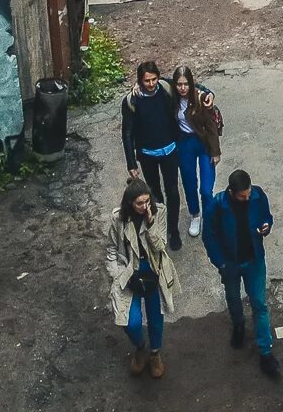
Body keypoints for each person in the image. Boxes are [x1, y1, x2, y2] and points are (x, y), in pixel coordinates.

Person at [204, 169, 279, 378]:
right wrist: (221, 264)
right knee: (234, 300)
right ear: (231, 192)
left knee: (260, 304)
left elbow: (266, 216)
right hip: (231, 264)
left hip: (254, 259)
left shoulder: (257, 195)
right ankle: (238, 325)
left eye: (248, 194)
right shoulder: (217, 205)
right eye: (242, 196)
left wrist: (266, 226)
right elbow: (209, 237)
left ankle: (265, 351)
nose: (247, 198)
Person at [110, 178, 181, 379]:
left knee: (155, 317)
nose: (144, 206)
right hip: (128, 271)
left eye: (147, 201)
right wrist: (116, 274)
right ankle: (140, 347)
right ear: (130, 202)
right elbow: (111, 249)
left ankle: (155, 353)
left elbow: (160, 247)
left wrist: (150, 224)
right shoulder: (118, 218)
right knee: (130, 322)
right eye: (140, 203)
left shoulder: (159, 212)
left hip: (152, 269)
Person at [121, 61, 183, 249]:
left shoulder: (165, 89)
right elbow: (127, 132)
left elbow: (188, 87)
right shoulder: (132, 100)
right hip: (147, 154)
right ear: (140, 81)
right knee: (154, 193)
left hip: (169, 149)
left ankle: (174, 230)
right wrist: (131, 163)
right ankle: (159, 226)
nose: (150, 84)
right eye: (146, 80)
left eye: (153, 79)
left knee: (172, 190)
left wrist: (207, 94)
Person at [170, 66, 221, 239]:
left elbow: (212, 126)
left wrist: (215, 151)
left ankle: (209, 218)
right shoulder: (172, 98)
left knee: (206, 189)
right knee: (189, 182)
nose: (182, 88)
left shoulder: (200, 98)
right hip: (185, 143)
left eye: (186, 84)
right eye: (179, 84)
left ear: (191, 84)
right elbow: (157, 80)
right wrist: (137, 86)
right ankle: (195, 215)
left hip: (203, 142)